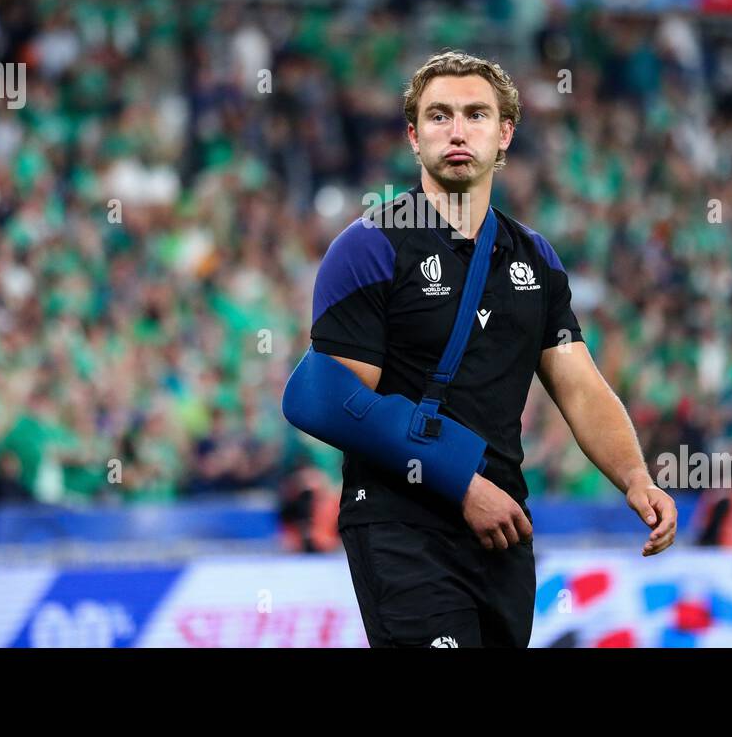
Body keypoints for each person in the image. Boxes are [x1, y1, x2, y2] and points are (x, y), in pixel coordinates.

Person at [284, 50, 677, 648]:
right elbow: (325, 397)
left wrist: (634, 476)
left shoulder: (536, 259)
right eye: (439, 116)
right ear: (414, 138)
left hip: (504, 529)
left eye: (476, 115)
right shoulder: (369, 246)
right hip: (402, 522)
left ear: (505, 135)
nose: (458, 130)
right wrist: (461, 480)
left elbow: (579, 383)